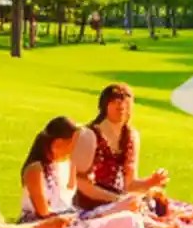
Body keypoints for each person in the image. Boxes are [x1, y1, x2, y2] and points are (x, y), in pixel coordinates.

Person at [72, 83, 168, 211]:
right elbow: (80, 183)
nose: (121, 106)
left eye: (126, 103)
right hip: (89, 202)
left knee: (158, 203)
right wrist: (118, 200)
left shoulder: (131, 137)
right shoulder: (89, 135)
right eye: (116, 102)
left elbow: (129, 184)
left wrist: (151, 182)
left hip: (118, 198)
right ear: (105, 105)